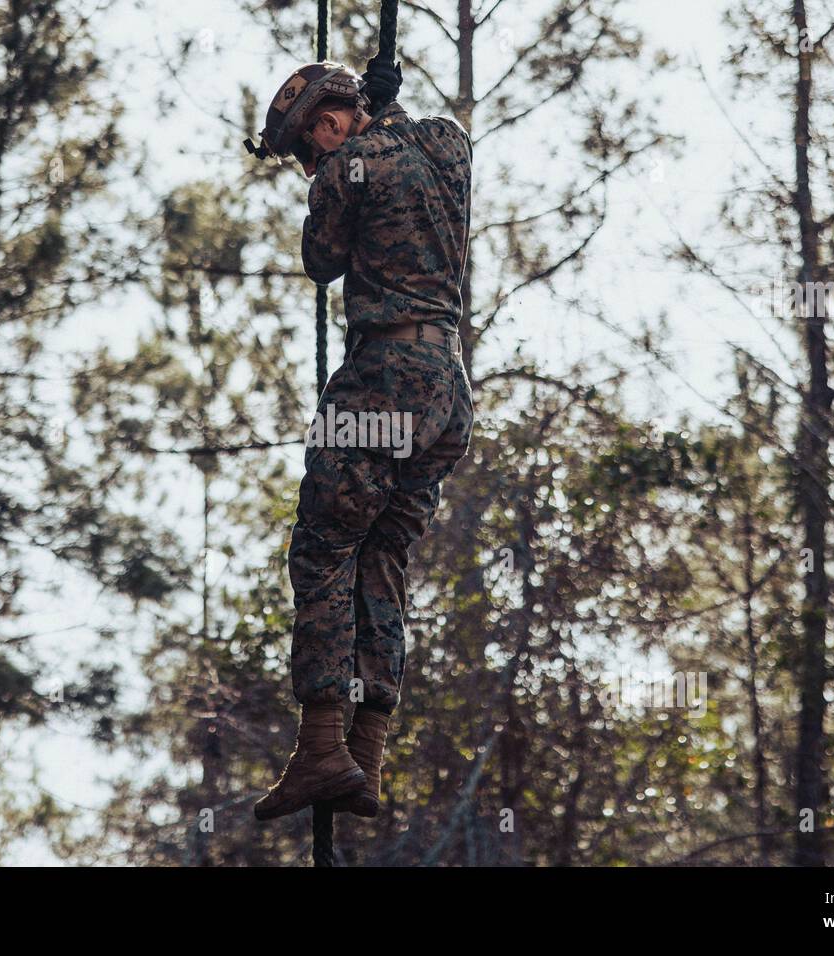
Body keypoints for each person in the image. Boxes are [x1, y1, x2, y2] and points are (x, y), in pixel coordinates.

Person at [246, 62, 474, 821]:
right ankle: (366, 754)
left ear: (328, 123)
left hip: (382, 373)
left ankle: (319, 750)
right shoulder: (447, 143)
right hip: (447, 385)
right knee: (381, 554)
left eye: (305, 147)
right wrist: (387, 105)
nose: (310, 163)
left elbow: (322, 260)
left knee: (322, 547)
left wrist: (334, 168)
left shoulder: (343, 169)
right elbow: (409, 152)